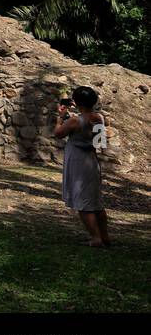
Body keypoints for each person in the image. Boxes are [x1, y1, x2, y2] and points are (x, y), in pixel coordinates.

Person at [54, 86, 110, 247]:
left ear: (77, 102)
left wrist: (60, 118)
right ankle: (104, 236)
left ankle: (95, 238)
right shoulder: (99, 118)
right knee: (96, 201)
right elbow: (99, 143)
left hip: (77, 161)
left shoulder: (74, 121)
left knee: (83, 202)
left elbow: (58, 133)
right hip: (91, 159)